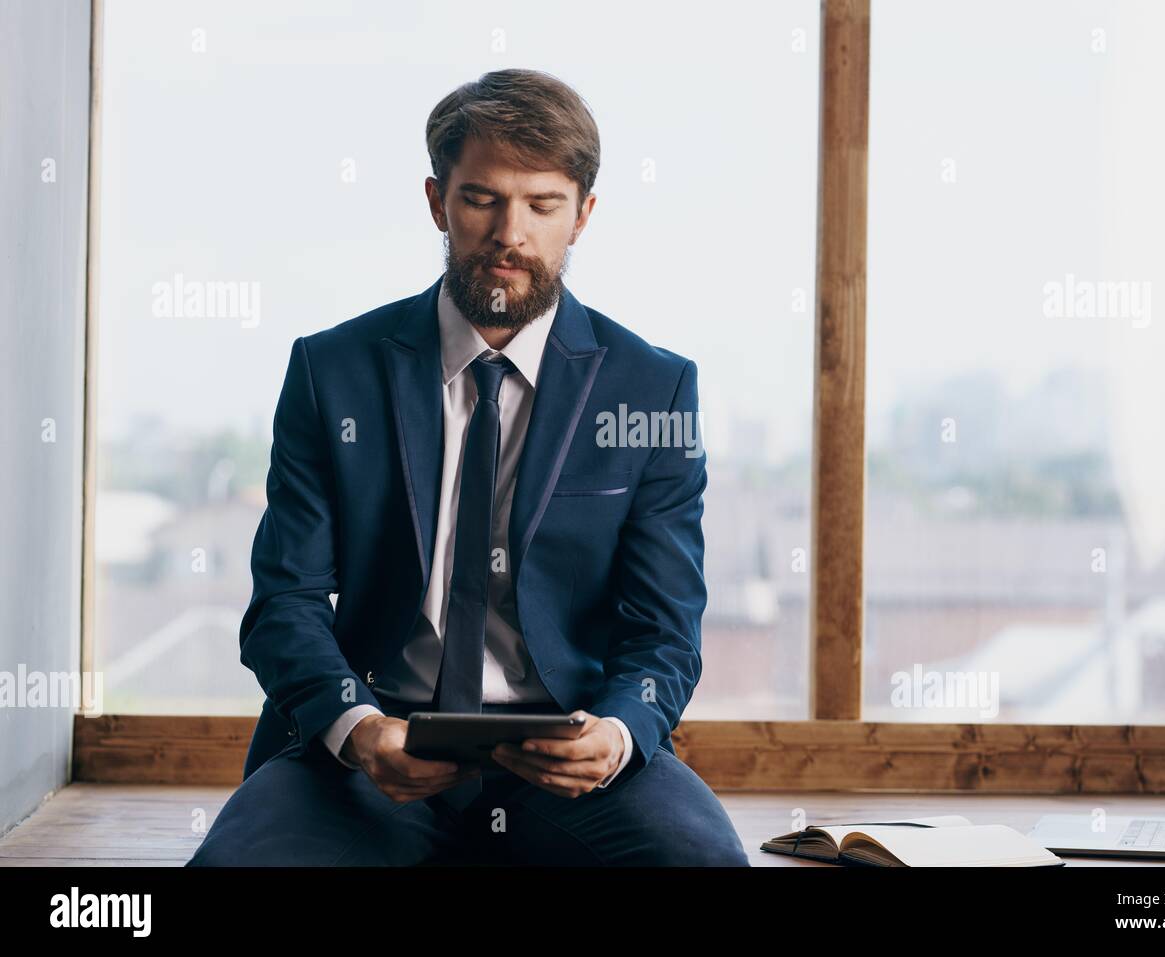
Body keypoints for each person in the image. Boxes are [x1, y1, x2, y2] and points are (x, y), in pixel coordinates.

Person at [186, 68, 748, 866]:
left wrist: (617, 735)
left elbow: (663, 627)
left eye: (542, 205)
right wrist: (359, 729)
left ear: (582, 215)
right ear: (436, 201)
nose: (509, 232)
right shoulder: (331, 371)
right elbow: (285, 604)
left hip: (564, 752)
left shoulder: (653, 388)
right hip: (372, 742)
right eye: (482, 198)